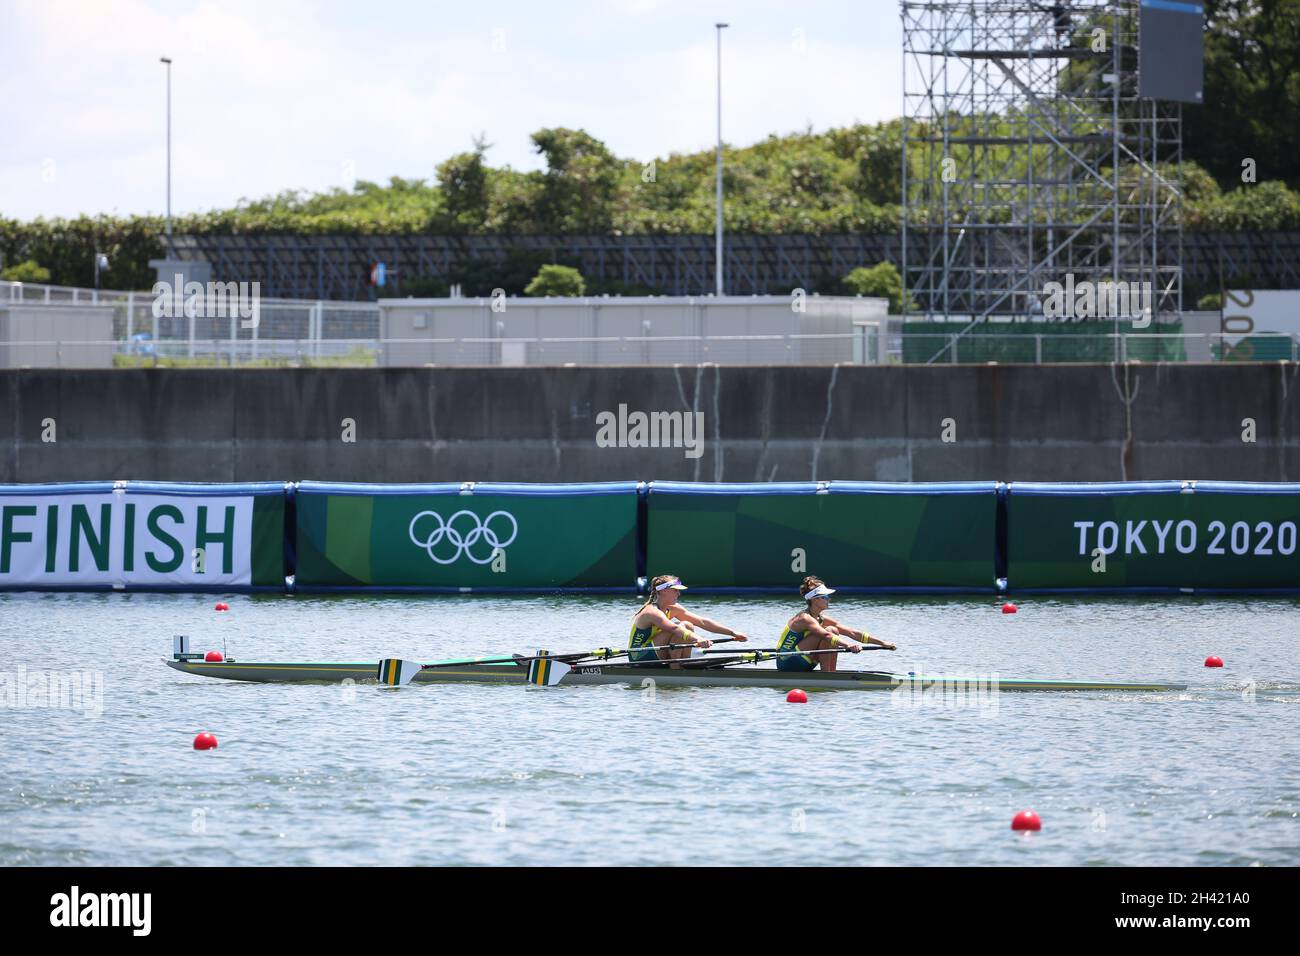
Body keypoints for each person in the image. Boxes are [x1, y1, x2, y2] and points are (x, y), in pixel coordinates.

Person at [774, 576, 895, 672]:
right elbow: (826, 636)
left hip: (803, 659)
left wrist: (882, 643)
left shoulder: (821, 618)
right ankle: (827, 676)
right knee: (830, 631)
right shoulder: (804, 618)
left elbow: (852, 632)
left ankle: (831, 673)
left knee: (834, 630)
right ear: (814, 599)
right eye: (825, 596)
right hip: (787, 661)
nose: (829, 599)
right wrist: (848, 645)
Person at [628, 574, 749, 665]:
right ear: (663, 590)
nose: (678, 594)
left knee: (688, 625)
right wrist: (699, 639)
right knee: (682, 627)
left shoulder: (673, 608)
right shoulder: (651, 612)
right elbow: (674, 628)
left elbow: (702, 622)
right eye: (675, 590)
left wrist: (732, 633)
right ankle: (676, 669)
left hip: (657, 651)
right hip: (639, 657)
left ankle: (683, 664)